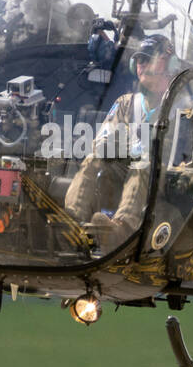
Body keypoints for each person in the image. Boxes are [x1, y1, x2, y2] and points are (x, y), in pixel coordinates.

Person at [64, 33, 176, 251]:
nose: (141, 65)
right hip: (122, 169)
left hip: (162, 177)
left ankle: (122, 229)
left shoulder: (180, 106)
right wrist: (114, 144)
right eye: (139, 60)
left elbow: (174, 149)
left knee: (141, 161)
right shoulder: (126, 103)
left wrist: (137, 145)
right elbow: (105, 138)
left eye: (148, 58)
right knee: (94, 156)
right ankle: (71, 219)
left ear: (169, 63)